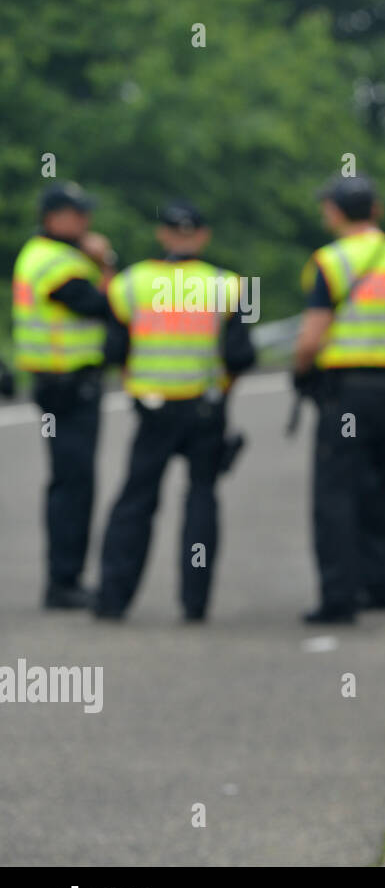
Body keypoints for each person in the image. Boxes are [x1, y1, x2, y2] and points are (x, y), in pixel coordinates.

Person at [94, 200, 255, 621]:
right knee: (201, 499)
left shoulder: (128, 284)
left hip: (152, 408)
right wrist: (222, 390)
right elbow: (241, 356)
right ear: (203, 235)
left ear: (161, 233)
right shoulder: (232, 285)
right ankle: (195, 602)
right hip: (205, 406)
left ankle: (113, 600)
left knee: (136, 501)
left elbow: (113, 351)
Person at [294, 175, 385, 625]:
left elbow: (310, 338)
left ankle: (341, 600)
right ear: (376, 210)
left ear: (334, 213)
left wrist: (301, 372)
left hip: (347, 394)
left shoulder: (330, 261)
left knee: (337, 494)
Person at [10, 182, 124, 608]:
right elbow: (107, 304)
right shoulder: (53, 261)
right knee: (73, 483)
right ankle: (63, 581)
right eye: (78, 215)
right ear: (53, 218)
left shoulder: (58, 256)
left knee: (73, 481)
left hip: (65, 384)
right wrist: (107, 260)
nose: (86, 223)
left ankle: (66, 577)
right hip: (66, 387)